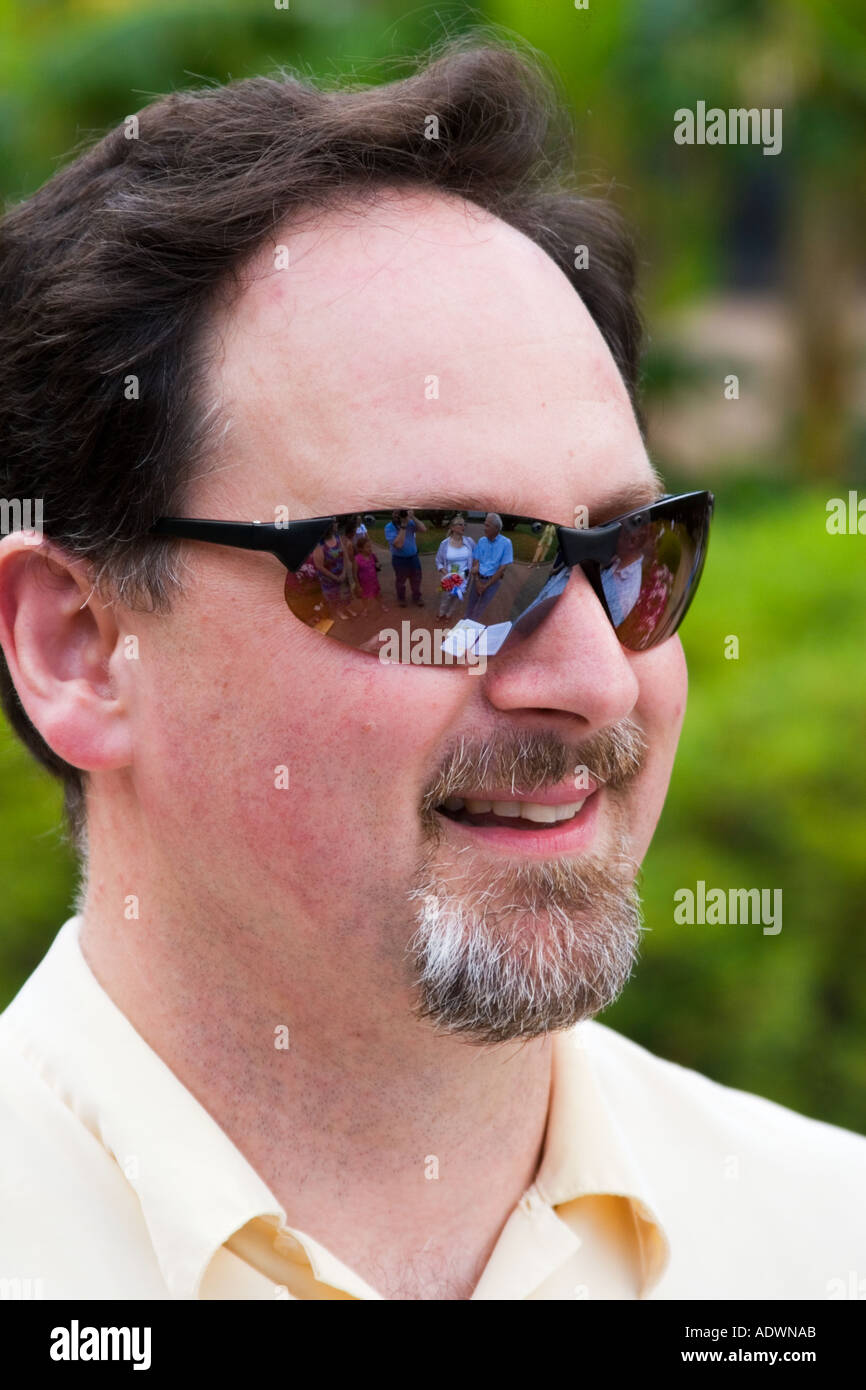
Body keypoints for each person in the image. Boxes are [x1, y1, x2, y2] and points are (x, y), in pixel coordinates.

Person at [0, 40, 863, 1304]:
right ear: (76, 648)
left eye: (630, 553)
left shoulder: (825, 1243)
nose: (597, 680)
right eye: (437, 566)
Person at [465, 512, 513, 622]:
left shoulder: (506, 543)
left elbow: (502, 569)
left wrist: (485, 586)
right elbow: (476, 561)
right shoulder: (482, 541)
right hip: (478, 578)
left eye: (487, 525)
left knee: (481, 608)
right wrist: (477, 581)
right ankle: (465, 624)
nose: (484, 528)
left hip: (492, 583)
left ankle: (472, 627)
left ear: (496, 528)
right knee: (470, 605)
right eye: (484, 524)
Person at [383, 508, 426, 607]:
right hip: (399, 559)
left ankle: (417, 597)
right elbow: (398, 545)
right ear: (392, 513)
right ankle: (401, 598)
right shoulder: (389, 527)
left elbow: (423, 529)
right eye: (395, 512)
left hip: (413, 558)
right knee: (401, 581)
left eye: (400, 512)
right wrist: (403, 526)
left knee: (416, 579)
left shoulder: (410, 522)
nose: (398, 515)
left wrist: (413, 517)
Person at [434, 515, 475, 618]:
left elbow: (477, 555)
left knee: (458, 597)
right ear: (452, 527)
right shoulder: (444, 544)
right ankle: (441, 613)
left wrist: (474, 567)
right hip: (449, 576)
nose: (463, 527)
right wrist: (445, 573)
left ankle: (449, 614)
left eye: (464, 524)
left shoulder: (469, 542)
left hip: (464, 577)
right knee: (445, 597)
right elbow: (438, 561)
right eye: (460, 524)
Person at [352, 533, 389, 616]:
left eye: (370, 546)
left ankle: (381, 605)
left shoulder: (372, 556)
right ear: (361, 549)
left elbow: (377, 564)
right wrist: (358, 585)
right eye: (367, 547)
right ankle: (365, 608)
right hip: (363, 583)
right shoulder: (357, 559)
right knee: (364, 597)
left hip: (374, 580)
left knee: (378, 594)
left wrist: (378, 565)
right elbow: (354, 574)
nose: (370, 549)